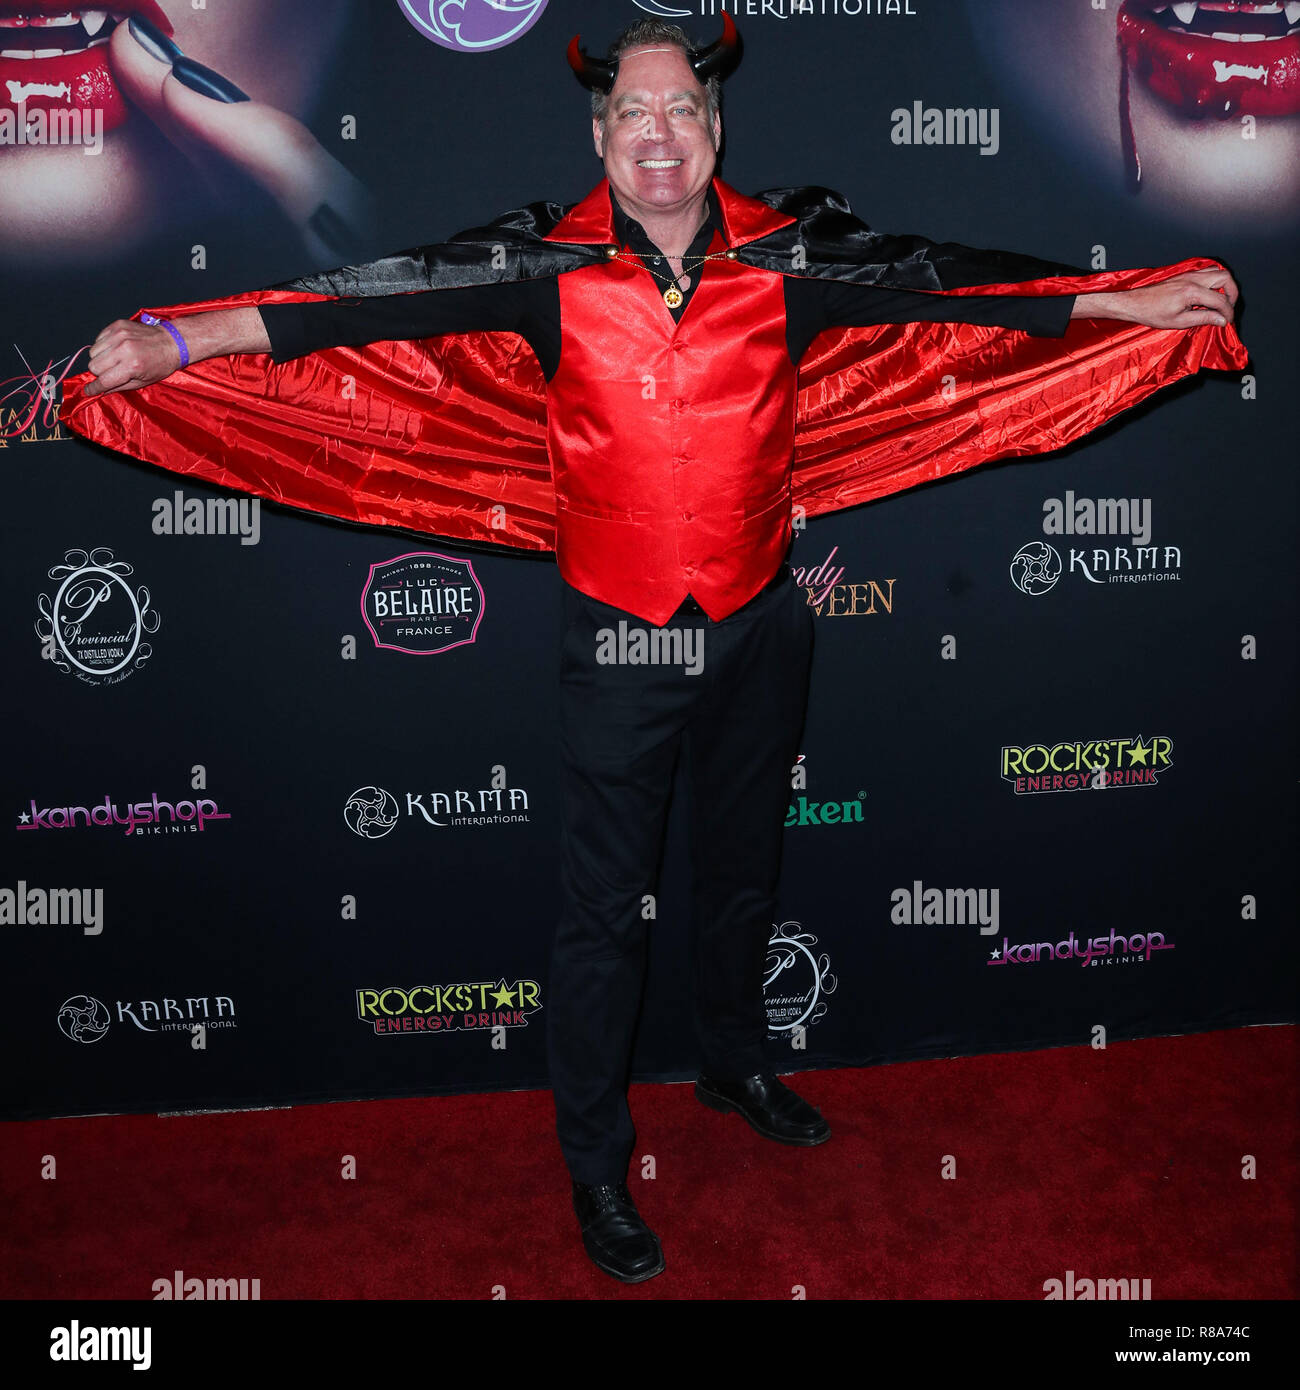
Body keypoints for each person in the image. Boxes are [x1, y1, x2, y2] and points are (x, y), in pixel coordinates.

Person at [68, 17, 1242, 1285]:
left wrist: (1133, 297)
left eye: (681, 109)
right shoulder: (545, 266)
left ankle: (736, 1062)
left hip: (756, 623)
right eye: (634, 114)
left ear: (714, 125)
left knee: (743, 874)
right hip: (618, 637)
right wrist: (186, 341)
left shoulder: (789, 261)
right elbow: (365, 304)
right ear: (600, 136)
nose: (660, 134)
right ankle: (594, 1167)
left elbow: (952, 281)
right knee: (601, 923)